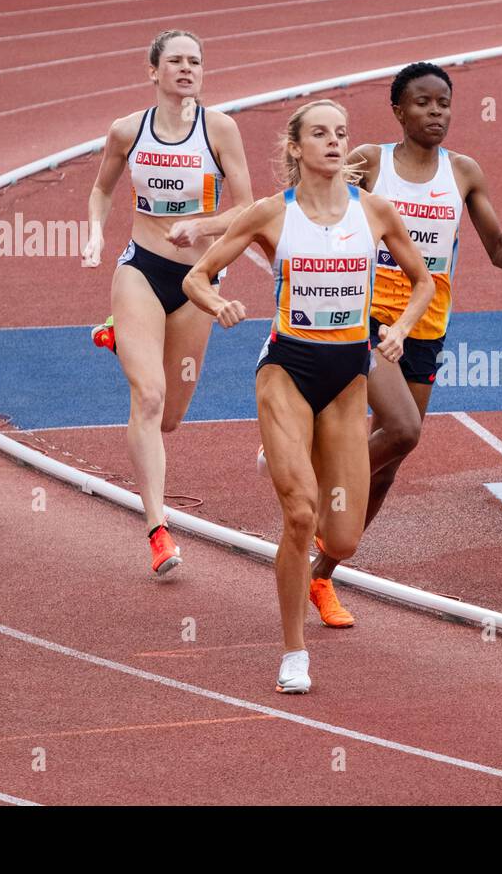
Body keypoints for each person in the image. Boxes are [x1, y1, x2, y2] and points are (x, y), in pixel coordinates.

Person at [183, 99, 433, 694]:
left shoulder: (375, 212)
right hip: (287, 370)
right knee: (299, 515)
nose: (333, 142)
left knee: (342, 537)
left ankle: (292, 458)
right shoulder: (273, 214)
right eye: (319, 134)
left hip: (347, 377)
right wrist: (218, 305)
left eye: (341, 133)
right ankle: (293, 652)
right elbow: (197, 275)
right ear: (295, 148)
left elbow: (423, 280)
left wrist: (397, 330)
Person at [292, 61, 502, 627]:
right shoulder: (373, 162)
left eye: (443, 103)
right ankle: (320, 493)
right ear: (398, 111)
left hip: (426, 326)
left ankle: (322, 574)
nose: (435, 113)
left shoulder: (464, 173)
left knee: (391, 464)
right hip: (365, 317)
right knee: (402, 429)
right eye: (422, 103)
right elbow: (321, 214)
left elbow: (497, 254)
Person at [81, 30, 253, 578]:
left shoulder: (220, 130)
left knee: (171, 418)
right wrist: (93, 233)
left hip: (199, 281)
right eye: (175, 61)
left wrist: (200, 226)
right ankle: (157, 528)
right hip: (141, 271)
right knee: (148, 397)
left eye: (195, 62)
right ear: (152, 71)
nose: (186, 69)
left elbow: (248, 209)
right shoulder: (127, 131)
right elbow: (103, 189)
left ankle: (120, 336)